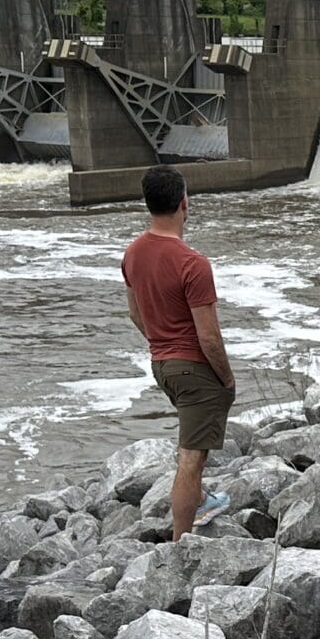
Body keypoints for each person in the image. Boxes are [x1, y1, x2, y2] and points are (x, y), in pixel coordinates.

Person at [120, 165, 235, 538]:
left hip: (162, 364)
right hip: (194, 369)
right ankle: (180, 543)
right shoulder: (193, 264)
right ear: (185, 203)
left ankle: (202, 500)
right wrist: (227, 379)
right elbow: (209, 338)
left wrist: (162, 345)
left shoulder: (133, 254)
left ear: (149, 204)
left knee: (191, 444)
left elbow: (135, 313)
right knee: (191, 459)